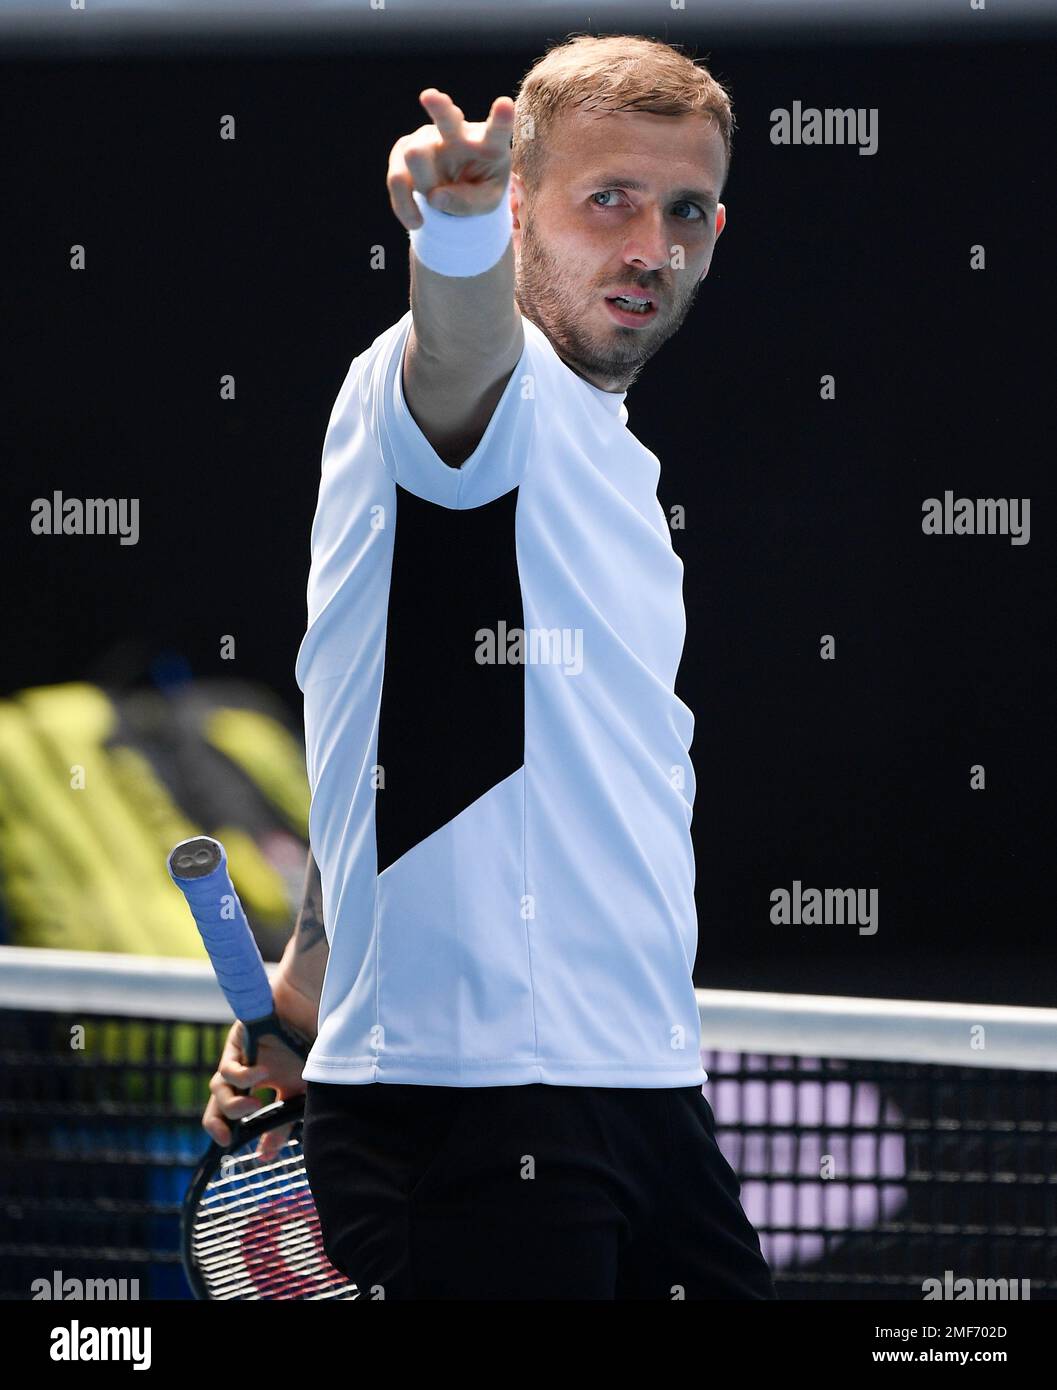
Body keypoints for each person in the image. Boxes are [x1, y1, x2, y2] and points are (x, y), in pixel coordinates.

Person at [203, 32, 776, 1301]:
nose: (649, 247)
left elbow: (409, 738)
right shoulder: (447, 394)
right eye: (606, 199)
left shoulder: (615, 462)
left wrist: (298, 994)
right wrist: (452, 239)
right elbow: (458, 345)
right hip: (466, 1116)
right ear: (518, 203)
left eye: (684, 210)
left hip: (643, 1092)